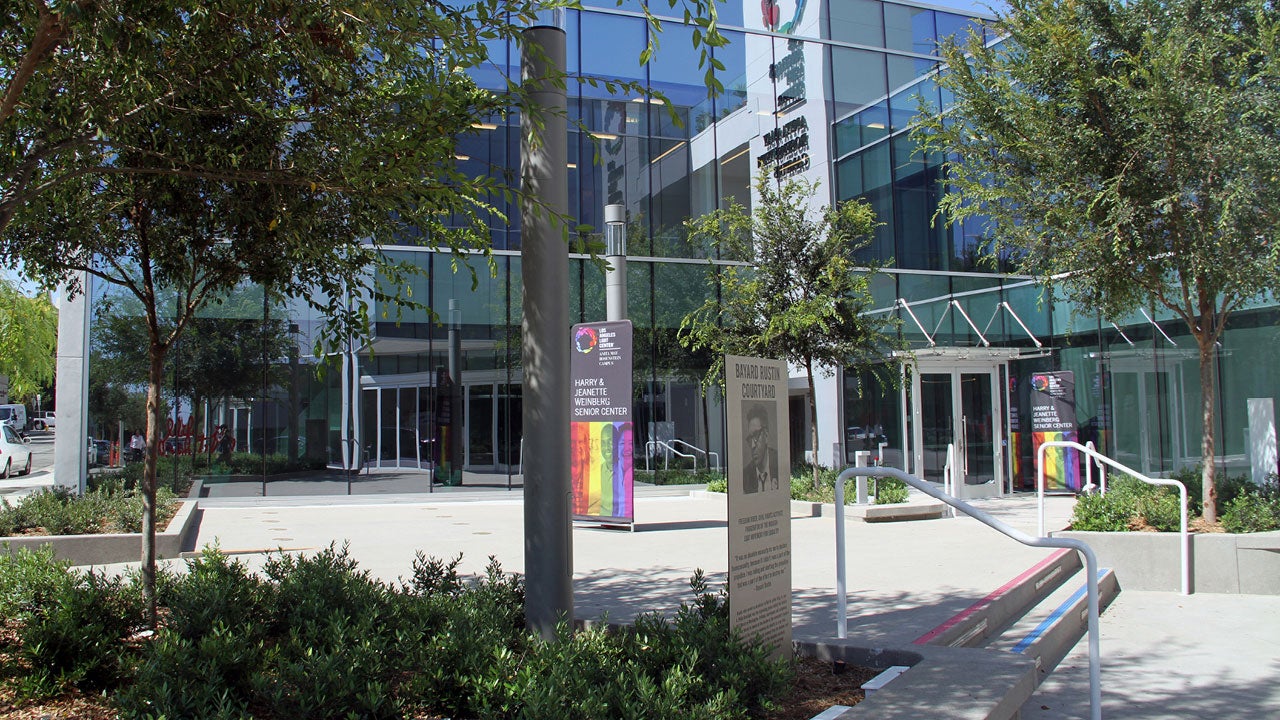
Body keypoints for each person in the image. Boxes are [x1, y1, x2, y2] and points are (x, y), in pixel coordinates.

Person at [743, 402, 780, 494]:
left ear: (766, 436)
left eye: (755, 436)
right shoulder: (746, 475)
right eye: (750, 439)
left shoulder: (779, 462)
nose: (752, 445)